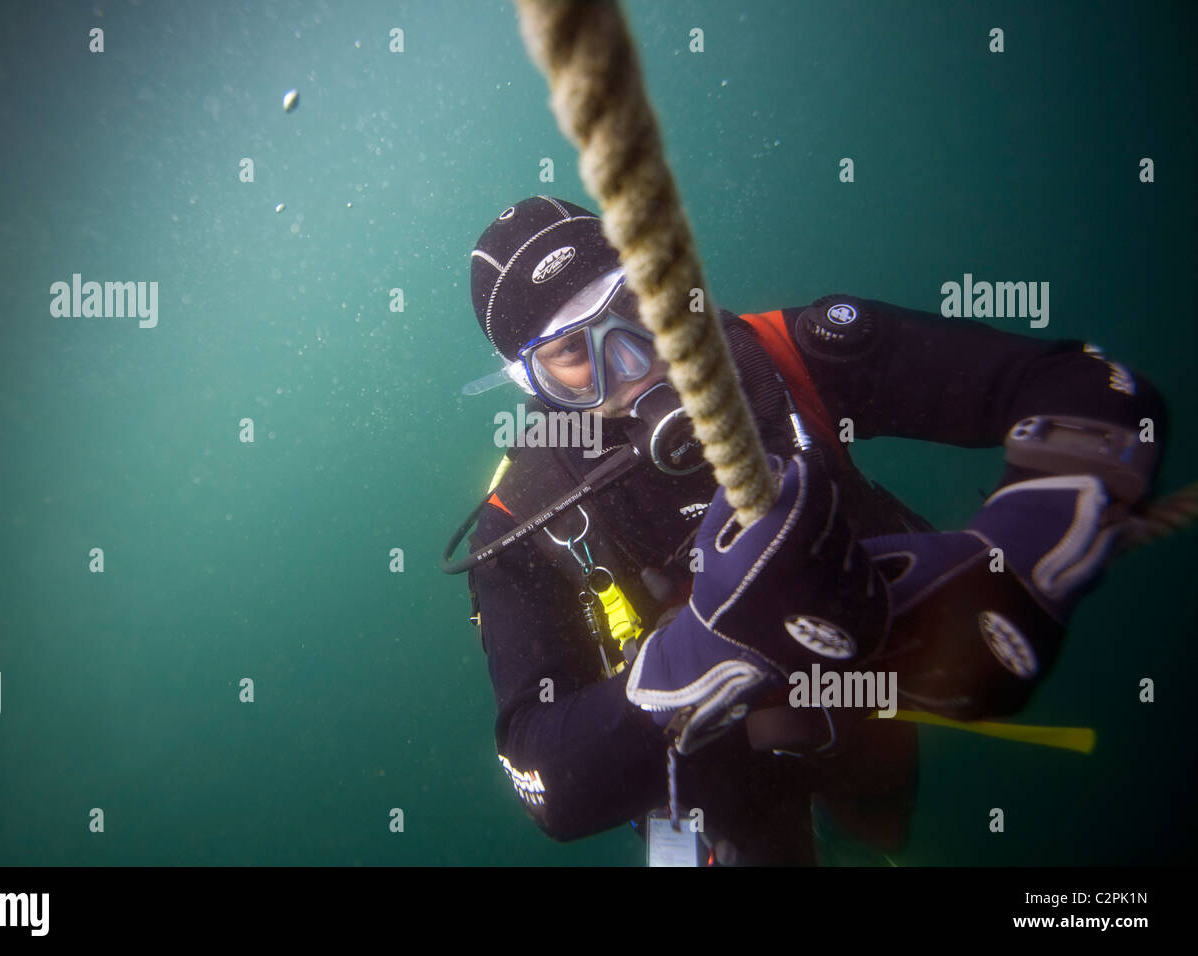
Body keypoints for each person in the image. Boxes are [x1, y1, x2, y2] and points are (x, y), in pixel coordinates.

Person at [443, 195, 1168, 865]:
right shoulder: (523, 517)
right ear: (534, 385)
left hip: (873, 688)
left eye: (639, 304)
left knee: (884, 825)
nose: (633, 363)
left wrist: (1025, 549)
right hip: (687, 787)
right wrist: (695, 659)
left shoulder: (784, 357)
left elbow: (1094, 388)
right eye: (575, 354)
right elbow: (543, 780)